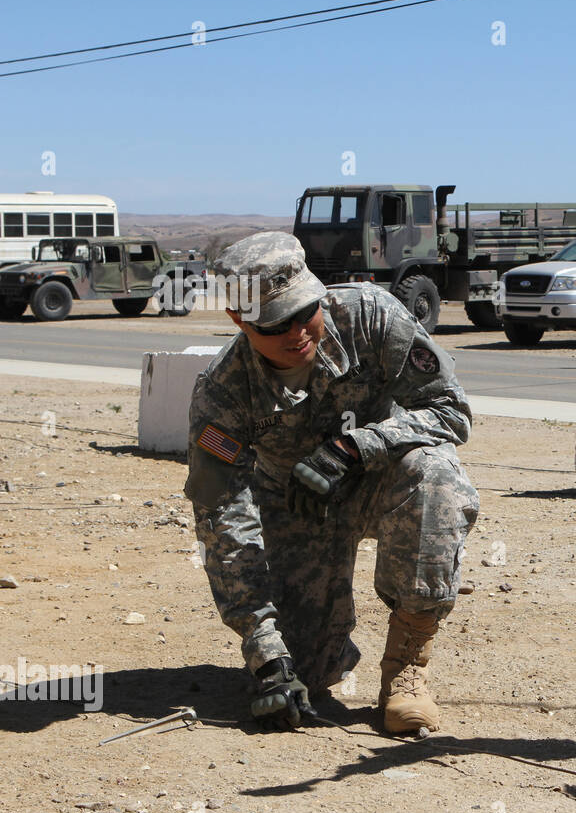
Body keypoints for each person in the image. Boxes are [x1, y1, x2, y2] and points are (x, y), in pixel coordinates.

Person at [185, 232, 479, 734]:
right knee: (304, 676)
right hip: (297, 508)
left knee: (435, 474)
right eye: (277, 322)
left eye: (306, 311)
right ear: (238, 320)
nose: (298, 332)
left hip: (380, 483)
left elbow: (451, 412)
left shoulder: (369, 315)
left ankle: (406, 669)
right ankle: (294, 659)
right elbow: (224, 522)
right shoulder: (223, 392)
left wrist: (356, 447)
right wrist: (263, 649)